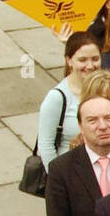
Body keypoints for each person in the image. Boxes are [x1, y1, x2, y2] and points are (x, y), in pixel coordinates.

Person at [40, 32, 101, 167]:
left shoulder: (105, 90)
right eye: (82, 60)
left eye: (95, 59)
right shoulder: (57, 98)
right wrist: (58, 181)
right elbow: (46, 145)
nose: (90, 66)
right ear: (69, 60)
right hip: (70, 173)